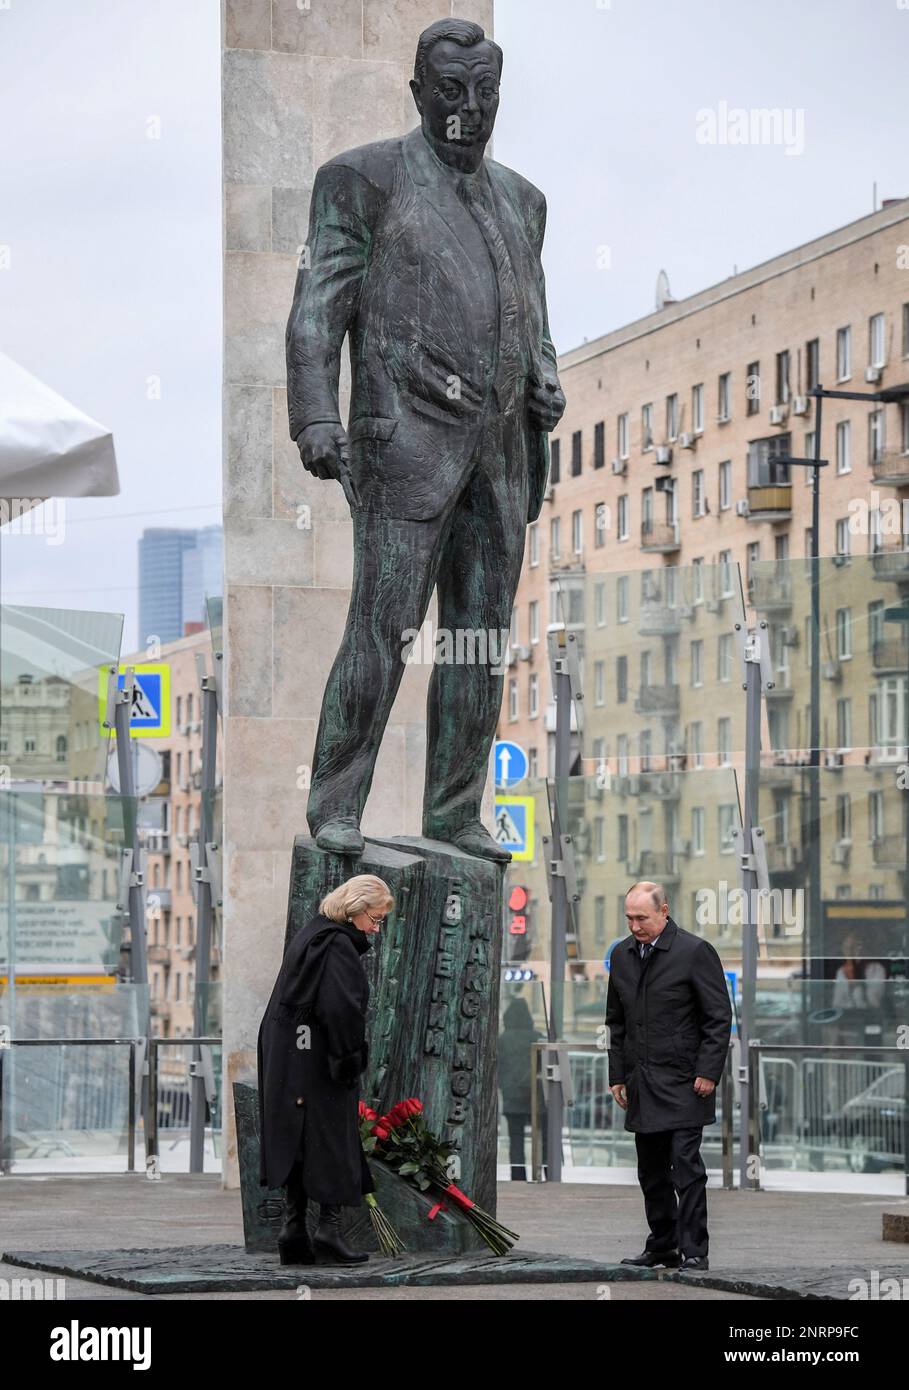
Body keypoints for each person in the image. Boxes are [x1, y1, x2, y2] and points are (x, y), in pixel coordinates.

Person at [285, 16, 566, 861]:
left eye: (484, 93)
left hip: (501, 453)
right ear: (418, 92)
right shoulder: (359, 180)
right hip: (403, 443)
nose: (469, 109)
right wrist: (316, 417)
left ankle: (454, 812)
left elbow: (532, 314)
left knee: (479, 642)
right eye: (451, 91)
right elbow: (314, 311)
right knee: (381, 627)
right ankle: (334, 805)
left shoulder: (523, 200)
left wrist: (546, 375)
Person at [256, 873, 394, 1265]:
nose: (376, 928)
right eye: (375, 918)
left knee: (300, 1141)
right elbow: (341, 1009)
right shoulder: (338, 946)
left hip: (290, 1058)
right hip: (320, 1060)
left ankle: (293, 1229)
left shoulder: (312, 935)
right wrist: (349, 1059)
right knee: (335, 1139)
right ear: (355, 910)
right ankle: (329, 1232)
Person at [605, 881, 732, 1271]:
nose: (634, 925)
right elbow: (616, 1021)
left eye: (641, 917)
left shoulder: (694, 952)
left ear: (664, 911)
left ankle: (694, 1250)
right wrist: (617, 1075)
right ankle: (662, 1244)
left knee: (685, 1167)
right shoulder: (623, 956)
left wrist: (708, 1072)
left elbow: (718, 1017)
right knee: (651, 1171)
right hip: (642, 1082)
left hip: (685, 1083)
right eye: (629, 917)